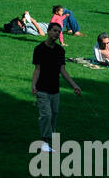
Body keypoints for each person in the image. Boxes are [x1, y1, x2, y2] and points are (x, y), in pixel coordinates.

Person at [31, 22, 82, 151]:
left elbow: (63, 70)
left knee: (54, 115)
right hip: (42, 88)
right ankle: (45, 142)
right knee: (46, 115)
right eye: (54, 30)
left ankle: (49, 142)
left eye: (58, 31)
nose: (56, 33)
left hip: (55, 90)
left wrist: (74, 86)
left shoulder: (60, 50)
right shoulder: (39, 49)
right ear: (48, 31)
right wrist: (33, 85)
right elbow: (37, 69)